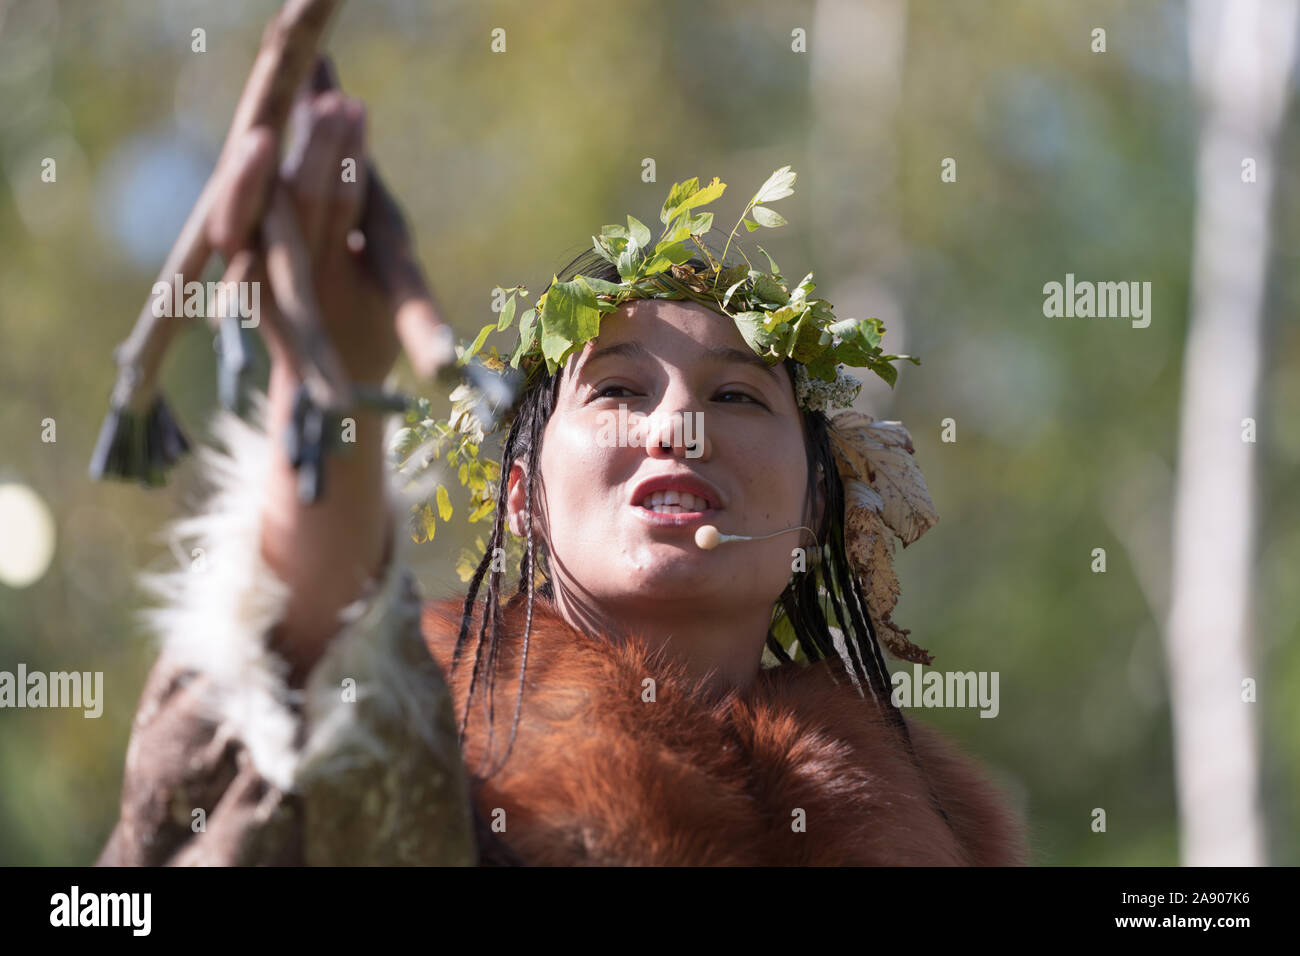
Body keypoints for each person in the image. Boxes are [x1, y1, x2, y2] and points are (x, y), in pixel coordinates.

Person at [96, 74, 1030, 867]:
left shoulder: (944, 831)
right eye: (619, 390)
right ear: (523, 498)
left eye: (738, 398)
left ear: (821, 505)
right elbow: (304, 719)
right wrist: (334, 388)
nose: (680, 427)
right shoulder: (440, 728)